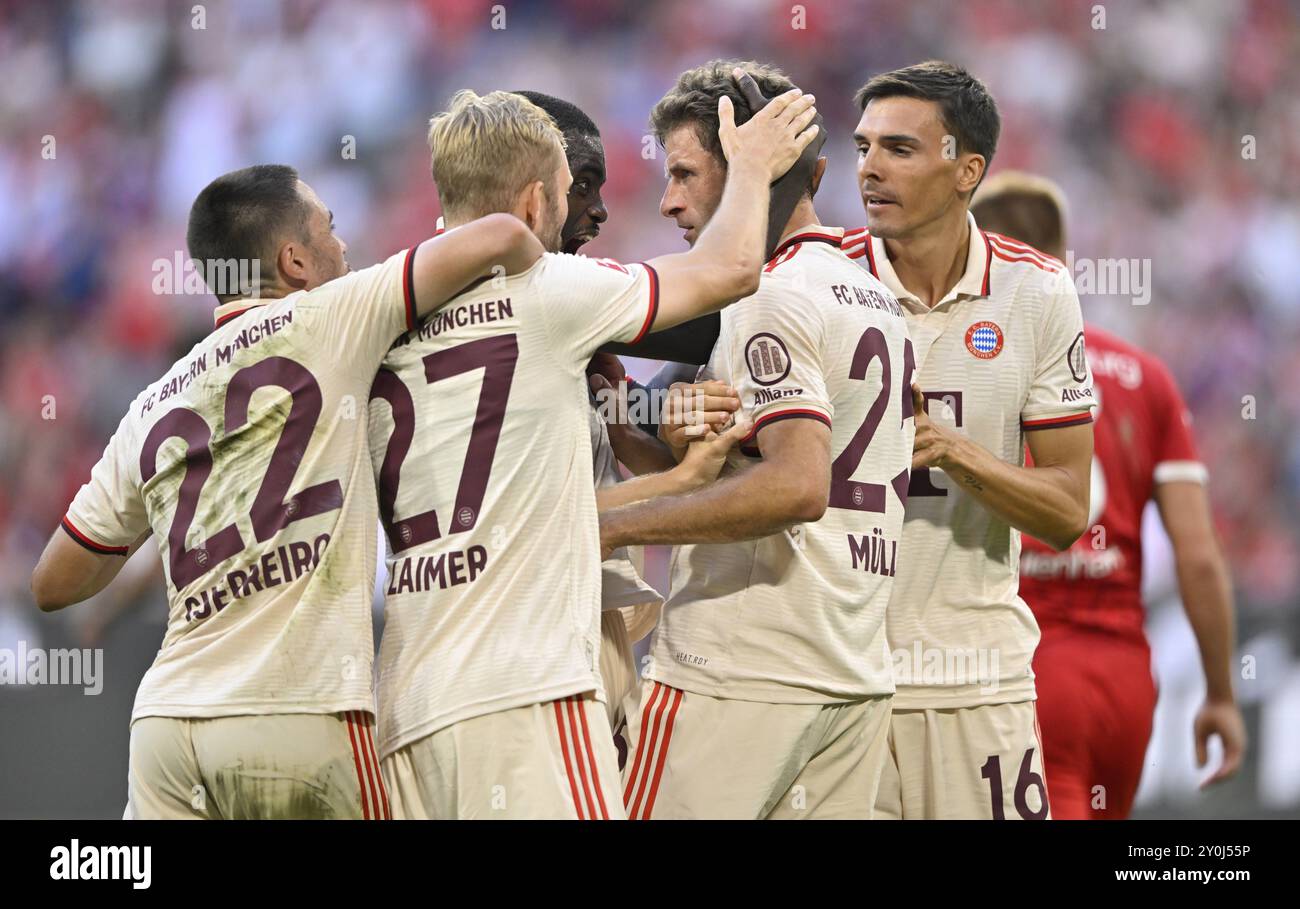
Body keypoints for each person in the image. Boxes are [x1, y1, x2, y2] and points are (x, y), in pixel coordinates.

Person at [30, 163, 545, 819]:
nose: (345, 244)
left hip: (167, 726)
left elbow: (53, 582)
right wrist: (547, 292)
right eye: (330, 227)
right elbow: (498, 233)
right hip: (300, 707)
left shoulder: (151, 404)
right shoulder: (335, 314)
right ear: (296, 259)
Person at [371, 83, 819, 819]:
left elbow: (590, 411)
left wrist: (650, 419)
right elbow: (732, 280)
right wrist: (751, 169)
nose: (599, 211)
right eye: (575, 186)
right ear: (529, 197)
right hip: (534, 671)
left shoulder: (377, 309)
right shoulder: (556, 296)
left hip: (414, 683)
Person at [598, 60, 912, 820]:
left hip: (738, 670)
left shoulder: (765, 299)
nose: (668, 198)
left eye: (685, 173)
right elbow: (753, 467)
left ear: (751, 167)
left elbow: (795, 486)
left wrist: (605, 522)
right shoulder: (874, 294)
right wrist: (627, 407)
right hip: (850, 671)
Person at [843, 61, 1095, 819]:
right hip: (837, 678)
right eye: (862, 148)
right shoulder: (814, 278)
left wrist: (954, 449)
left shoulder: (1038, 292)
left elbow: (1065, 510)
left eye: (899, 149)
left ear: (967, 169)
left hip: (977, 681)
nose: (869, 169)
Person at [971, 170, 1246, 819]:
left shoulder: (979, 375)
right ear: (1062, 261)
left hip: (1025, 670)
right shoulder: (1146, 377)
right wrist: (1221, 694)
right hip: (1125, 679)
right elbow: (1200, 556)